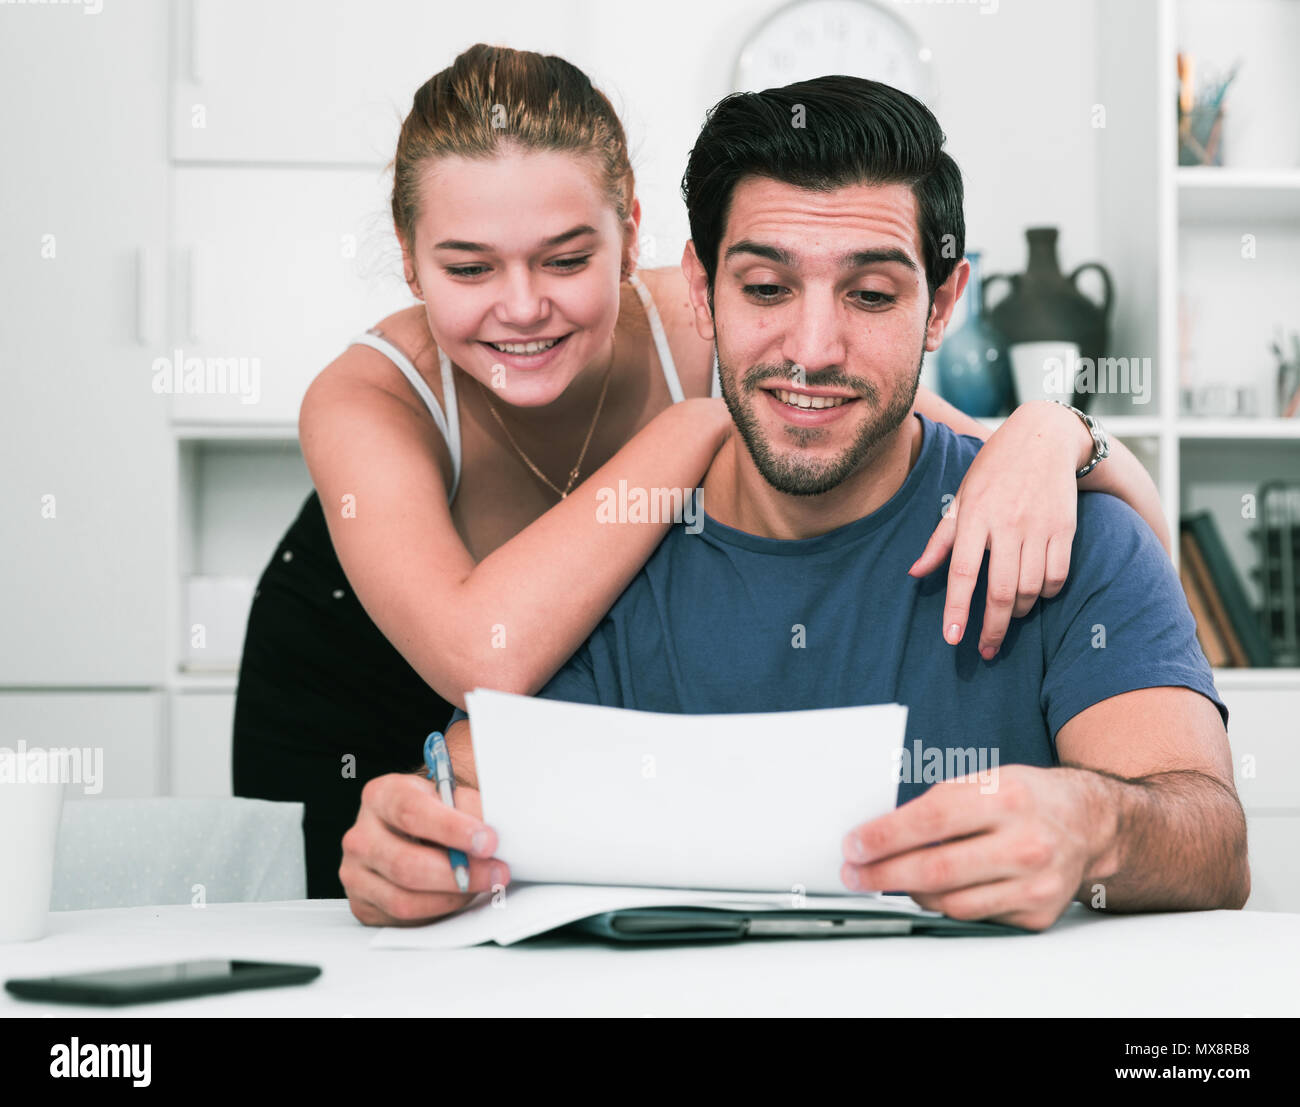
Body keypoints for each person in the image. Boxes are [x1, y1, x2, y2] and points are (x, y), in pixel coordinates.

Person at [235, 44, 1172, 900]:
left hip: (574, 653)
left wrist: (1058, 433)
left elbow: (901, 412)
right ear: (408, 260)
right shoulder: (368, 396)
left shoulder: (717, 319)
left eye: (567, 258)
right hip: (380, 648)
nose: (522, 308)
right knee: (378, 894)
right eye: (469, 269)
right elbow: (485, 655)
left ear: (631, 234)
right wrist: (703, 423)